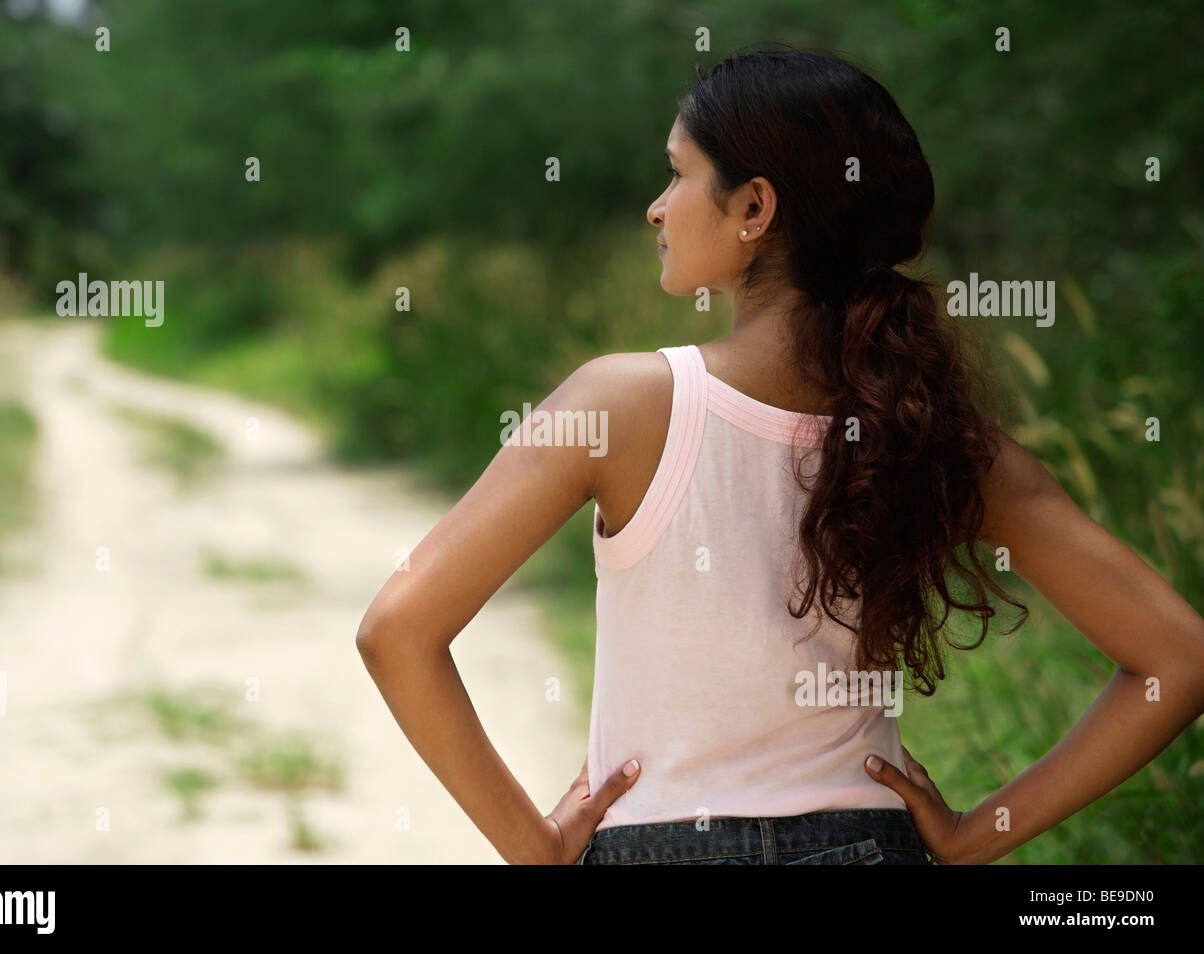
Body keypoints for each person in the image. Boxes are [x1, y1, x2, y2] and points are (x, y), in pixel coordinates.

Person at [355, 46, 1204, 865]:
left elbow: (398, 631)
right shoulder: (938, 436)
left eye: (679, 173)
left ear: (753, 209)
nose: (657, 206)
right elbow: (1180, 657)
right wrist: (980, 833)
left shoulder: (618, 403)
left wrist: (533, 848)